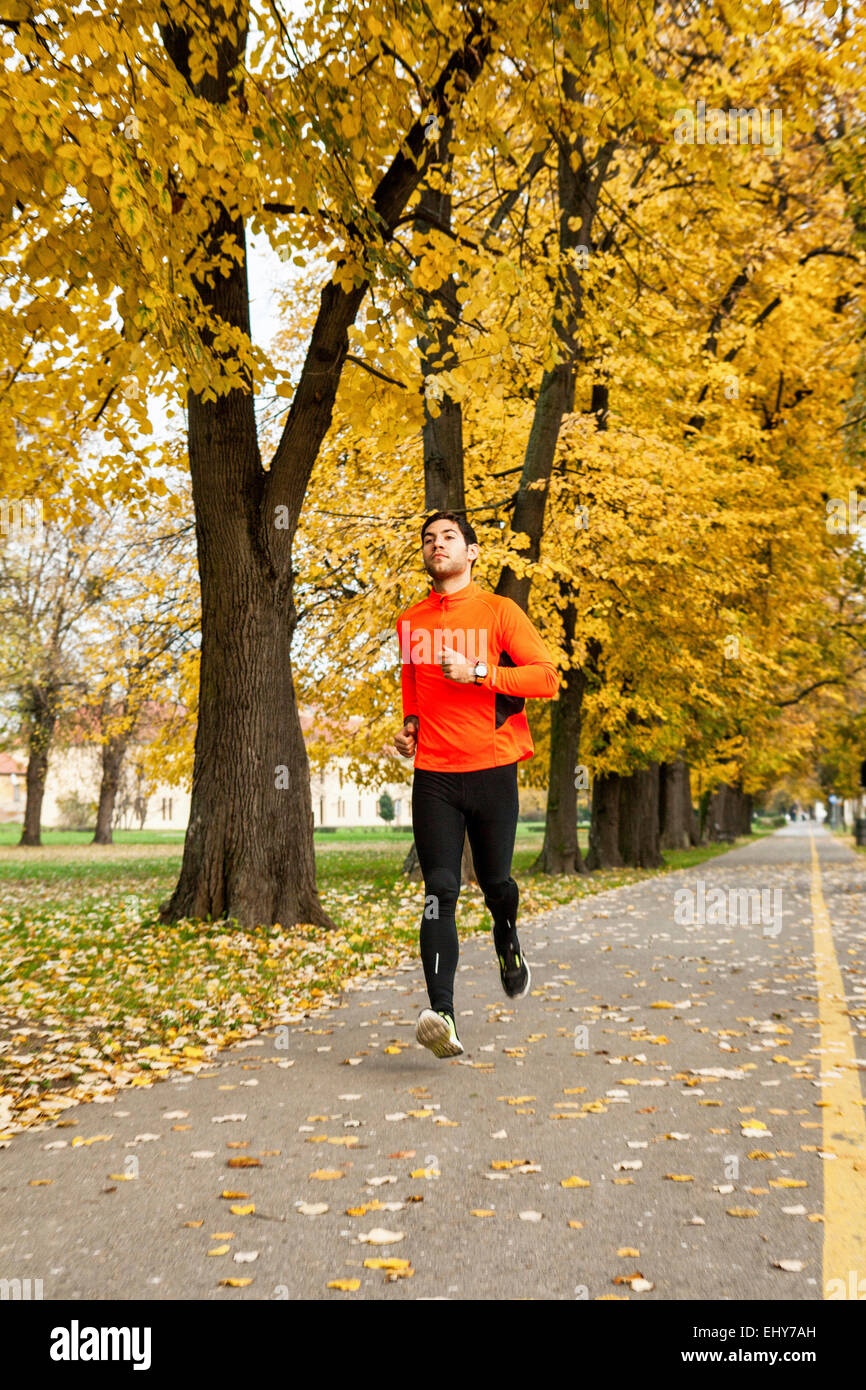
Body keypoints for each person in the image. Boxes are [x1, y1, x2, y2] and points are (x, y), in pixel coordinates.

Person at [393, 511, 559, 1058]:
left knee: (496, 885)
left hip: (492, 770)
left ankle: (506, 936)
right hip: (435, 775)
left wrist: (481, 674)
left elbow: (546, 678)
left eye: (448, 538)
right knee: (439, 890)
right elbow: (414, 685)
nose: (436, 545)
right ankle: (442, 1014)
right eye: (428, 539)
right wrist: (410, 726)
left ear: (472, 553)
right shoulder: (412, 620)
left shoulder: (500, 612)